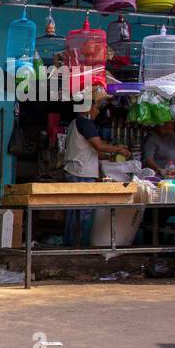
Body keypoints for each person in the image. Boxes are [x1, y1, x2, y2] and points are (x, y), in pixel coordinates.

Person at [62, 90, 129, 246]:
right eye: (96, 107)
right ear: (87, 108)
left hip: (77, 170)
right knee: (82, 212)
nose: (98, 111)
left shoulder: (74, 123)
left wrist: (108, 157)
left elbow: (88, 151)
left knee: (74, 213)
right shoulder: (85, 122)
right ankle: (76, 246)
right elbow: (98, 146)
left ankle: (71, 245)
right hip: (81, 173)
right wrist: (118, 149)